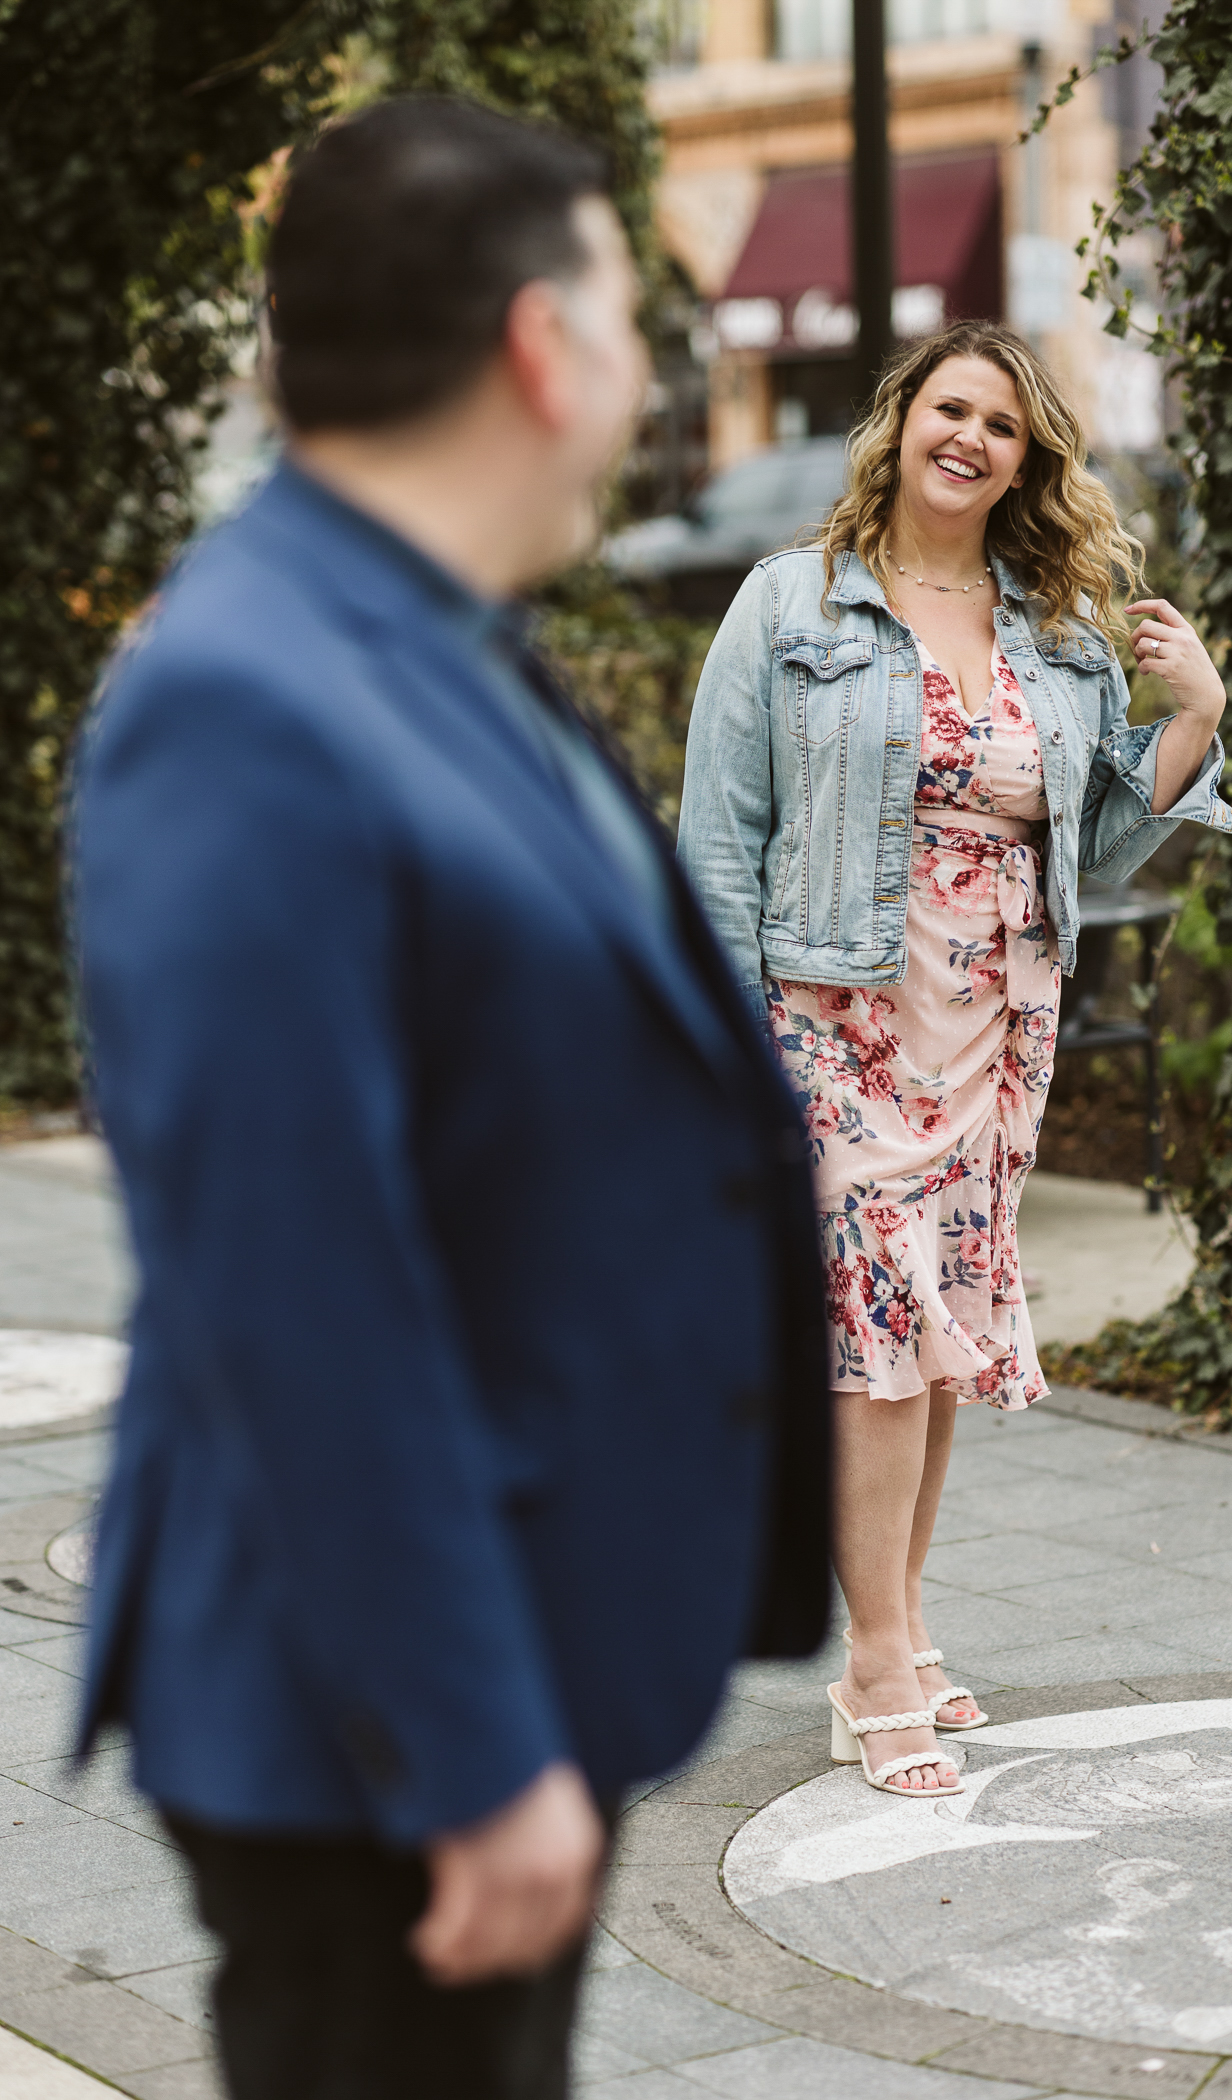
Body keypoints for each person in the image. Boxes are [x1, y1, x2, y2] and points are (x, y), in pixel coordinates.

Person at [73, 96, 829, 2100]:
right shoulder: (244, 695)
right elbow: (291, 1285)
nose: (649, 367)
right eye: (630, 311)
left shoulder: (423, 628)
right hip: (372, 1745)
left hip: (508, 1639)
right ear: (538, 344)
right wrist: (471, 1753)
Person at [677, 320, 1232, 1799]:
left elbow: (1098, 844)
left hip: (997, 1019)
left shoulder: (1056, 635)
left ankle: (905, 1625)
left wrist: (1194, 715)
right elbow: (718, 841)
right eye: (950, 409)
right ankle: (872, 1665)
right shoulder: (790, 600)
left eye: (1001, 424)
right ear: (901, 422)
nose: (969, 438)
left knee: (933, 1329)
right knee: (874, 1325)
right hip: (836, 1015)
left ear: (1025, 462)